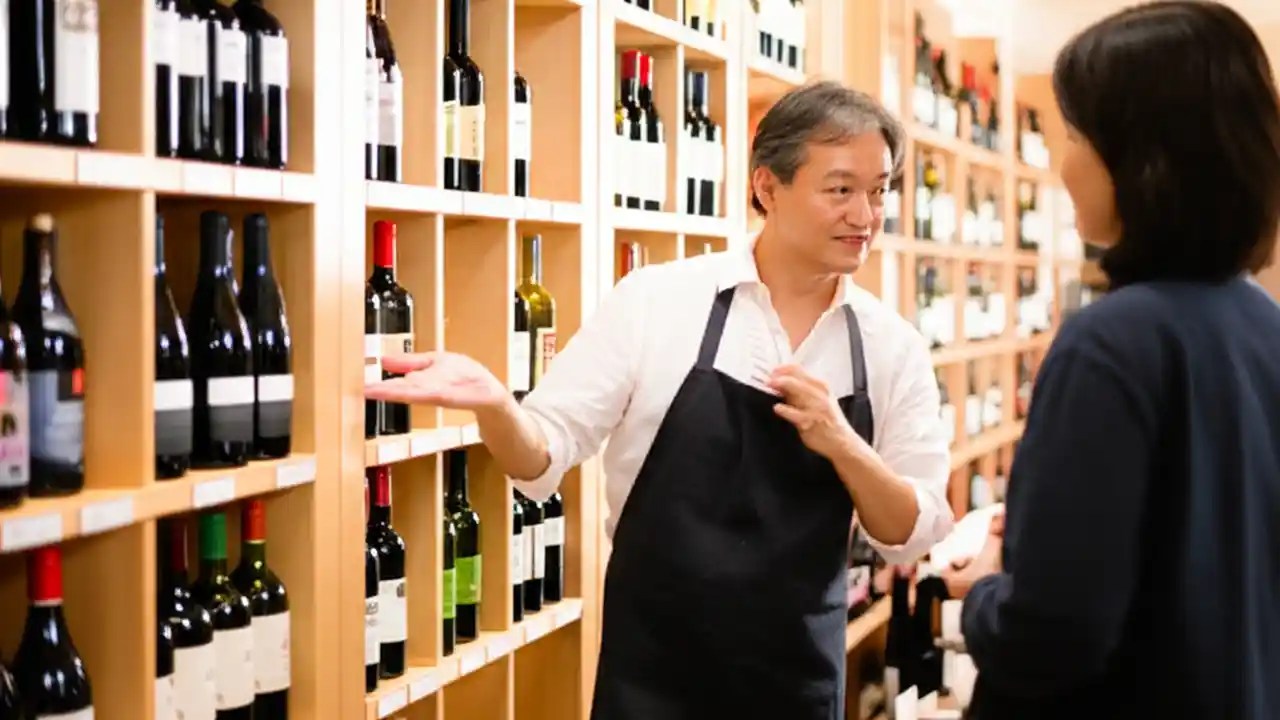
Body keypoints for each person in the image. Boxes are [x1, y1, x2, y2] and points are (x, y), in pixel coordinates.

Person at [366, 81, 954, 719]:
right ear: (767, 187)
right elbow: (541, 456)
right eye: (841, 190)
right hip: (653, 681)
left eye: (879, 191)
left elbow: (907, 532)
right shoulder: (657, 302)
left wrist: (842, 444)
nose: (866, 216)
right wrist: (495, 406)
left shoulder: (892, 349)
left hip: (795, 687)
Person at [940, 2, 1280, 719]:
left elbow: (1052, 634)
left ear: (1138, 154)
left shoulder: (1112, 342)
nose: (1062, 165)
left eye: (1072, 135)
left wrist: (988, 588)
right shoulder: (1259, 321)